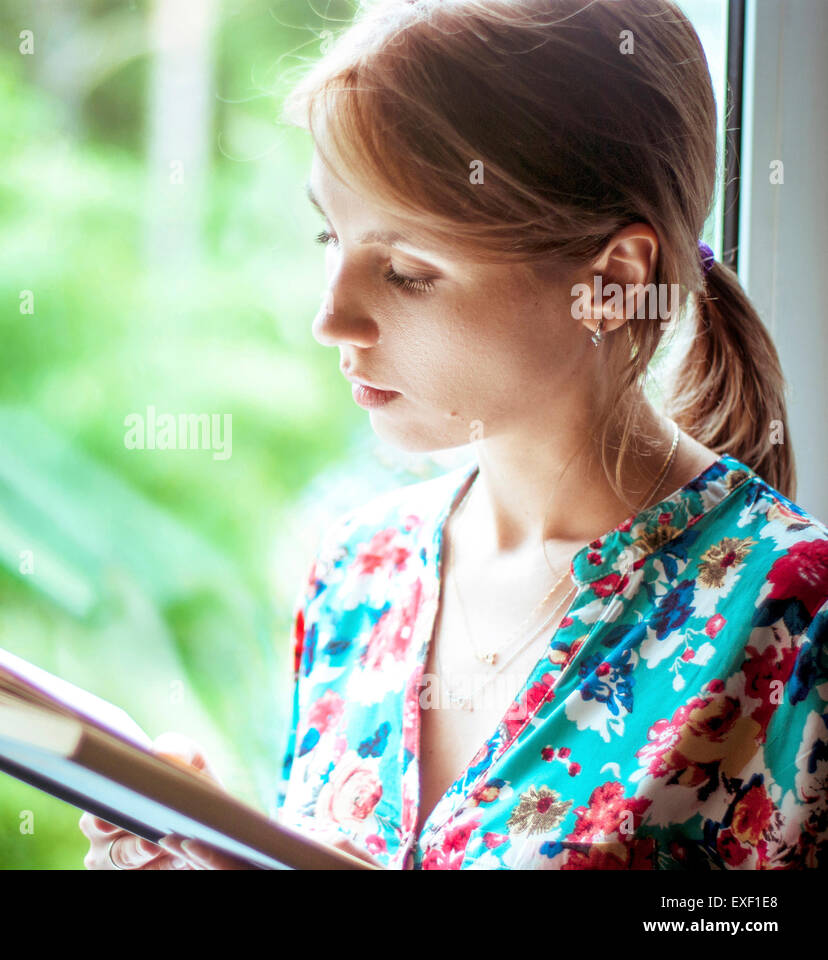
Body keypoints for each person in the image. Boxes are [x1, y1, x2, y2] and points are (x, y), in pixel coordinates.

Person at [81, 0, 828, 869]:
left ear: (614, 283)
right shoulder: (361, 569)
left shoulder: (793, 613)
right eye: (331, 235)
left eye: (406, 271)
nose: (330, 319)